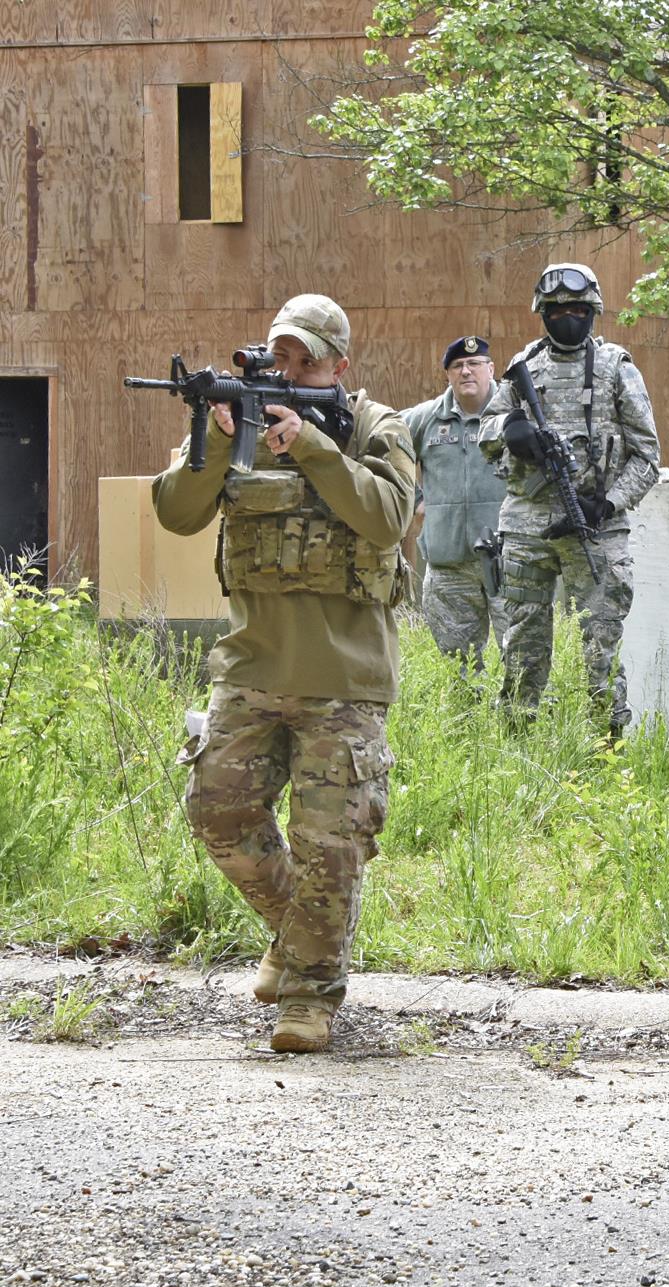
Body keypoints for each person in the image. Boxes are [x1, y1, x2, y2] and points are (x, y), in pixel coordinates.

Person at [150, 294, 416, 1054]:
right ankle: (300, 941)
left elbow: (388, 518)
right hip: (251, 664)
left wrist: (312, 447)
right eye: (280, 356)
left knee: (329, 843)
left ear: (339, 365)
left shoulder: (373, 427)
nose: (289, 370)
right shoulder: (239, 419)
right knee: (217, 810)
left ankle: (308, 996)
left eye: (307, 360)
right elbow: (174, 512)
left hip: (346, 677)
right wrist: (213, 441)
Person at [478, 264, 661, 734]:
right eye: (557, 310)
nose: (567, 317)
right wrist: (510, 429)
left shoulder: (616, 368)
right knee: (521, 645)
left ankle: (607, 746)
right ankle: (518, 745)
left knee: (601, 647)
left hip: (594, 529)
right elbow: (485, 434)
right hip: (527, 522)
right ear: (543, 312)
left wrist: (610, 503)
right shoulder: (524, 367)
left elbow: (647, 456)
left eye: (578, 309)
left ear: (593, 311)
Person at [402, 336, 507, 671]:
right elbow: (384, 449)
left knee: (522, 663)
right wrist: (415, 500)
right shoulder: (426, 418)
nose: (466, 371)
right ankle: (468, 721)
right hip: (449, 566)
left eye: (475, 364)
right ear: (447, 374)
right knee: (459, 669)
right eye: (457, 366)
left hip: (508, 561)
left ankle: (519, 723)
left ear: (491, 369)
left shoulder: (513, 414)